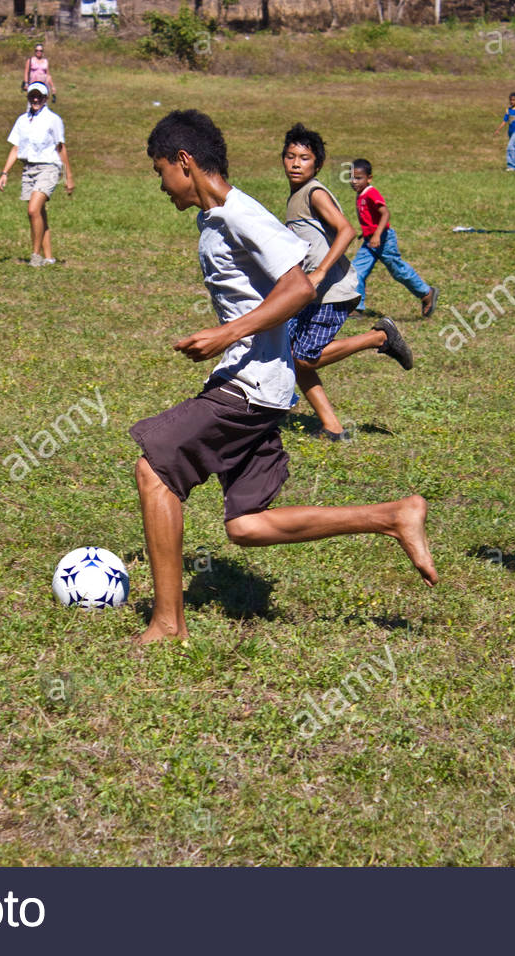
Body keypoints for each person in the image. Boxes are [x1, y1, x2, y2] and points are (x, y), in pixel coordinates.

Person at [130, 109, 437, 646]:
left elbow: (298, 289)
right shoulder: (215, 217)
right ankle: (393, 516)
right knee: (245, 524)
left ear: (185, 162)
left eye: (161, 172)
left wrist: (226, 336)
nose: (160, 187)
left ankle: (167, 623)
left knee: (154, 469)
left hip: (248, 386)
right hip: (262, 386)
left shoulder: (239, 213)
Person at [281, 124, 413, 442]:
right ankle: (333, 427)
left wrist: (322, 272)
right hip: (310, 293)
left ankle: (378, 337)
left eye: (304, 158)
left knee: (304, 357)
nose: (296, 163)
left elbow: (346, 230)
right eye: (290, 156)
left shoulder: (314, 192)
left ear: (317, 164)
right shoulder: (296, 196)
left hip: (332, 291)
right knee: (291, 354)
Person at [349, 158, 437, 318]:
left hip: (383, 240)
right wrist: (368, 232)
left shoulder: (371, 193)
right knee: (356, 270)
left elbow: (385, 213)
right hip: (370, 241)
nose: (354, 181)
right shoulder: (360, 194)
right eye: (352, 177)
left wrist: (376, 234)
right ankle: (357, 307)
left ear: (369, 178)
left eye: (359, 178)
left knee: (398, 271)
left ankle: (426, 292)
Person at [0, 82, 74, 267]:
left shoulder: (53, 119)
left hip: (49, 167)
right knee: (38, 213)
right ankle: (49, 258)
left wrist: (68, 176)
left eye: (39, 96)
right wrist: (5, 172)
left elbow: (60, 147)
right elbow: (16, 148)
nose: (35, 99)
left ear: (45, 98)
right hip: (28, 169)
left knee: (32, 210)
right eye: (32, 95)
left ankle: (35, 255)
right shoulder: (22, 120)